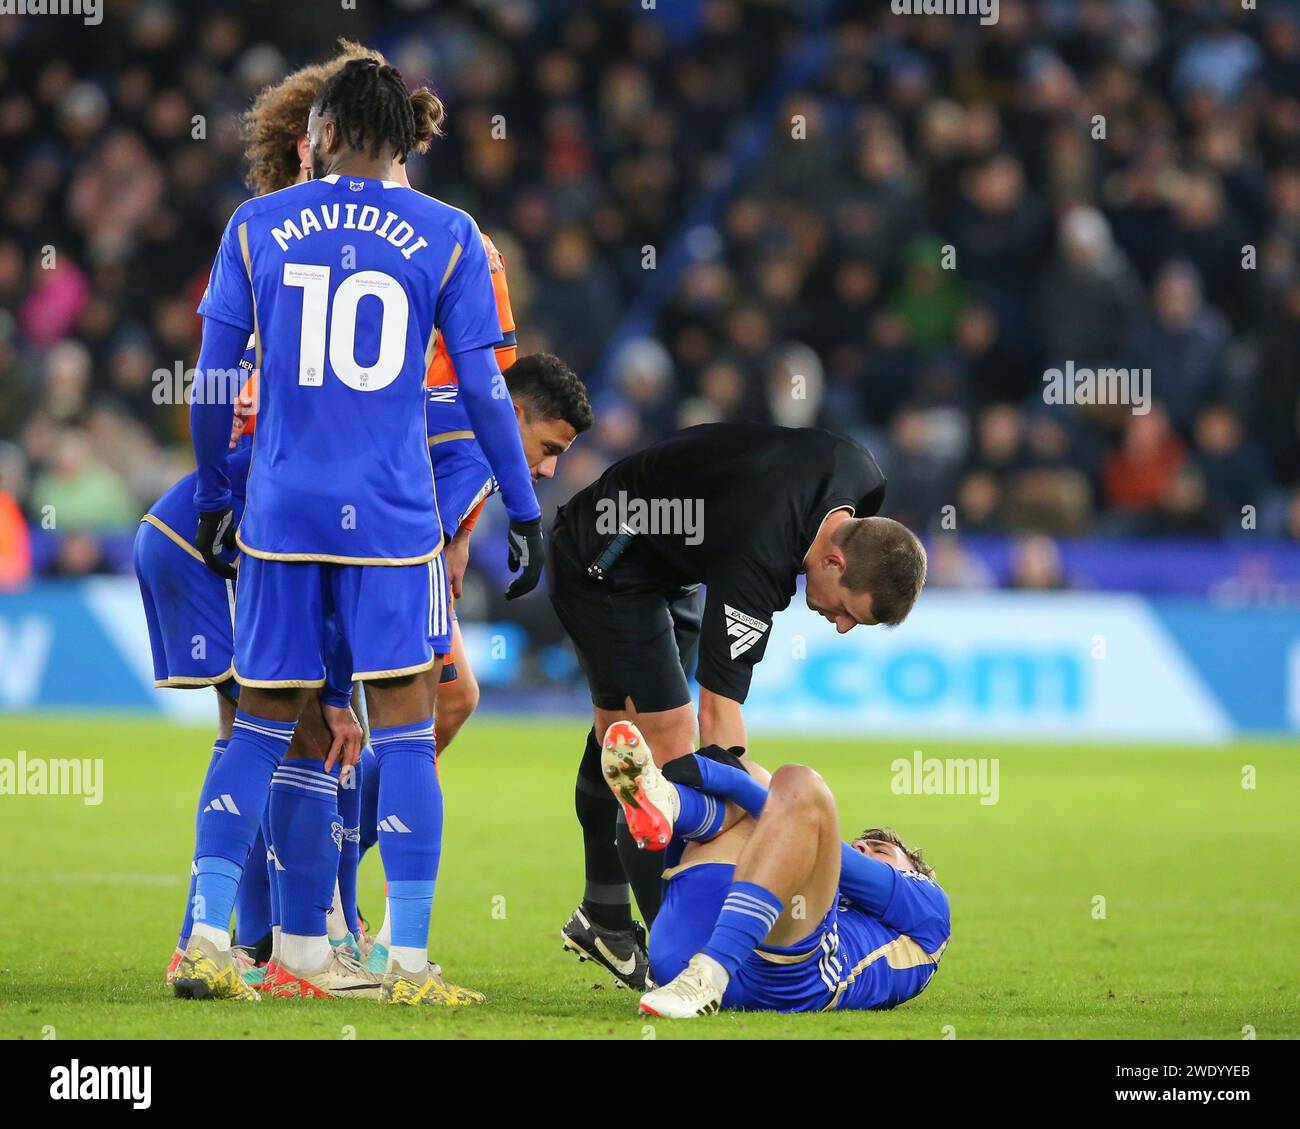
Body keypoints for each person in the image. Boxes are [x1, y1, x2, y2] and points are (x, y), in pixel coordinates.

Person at [176, 57, 539, 1006]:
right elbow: (487, 388)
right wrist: (524, 505)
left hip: (281, 513)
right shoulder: (451, 235)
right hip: (392, 522)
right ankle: (406, 964)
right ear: (408, 143)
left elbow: (213, 380)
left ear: (321, 132)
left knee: (258, 726)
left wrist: (219, 492)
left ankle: (208, 940)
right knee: (409, 735)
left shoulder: (255, 225)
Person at [547, 420, 927, 987]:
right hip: (609, 558)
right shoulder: (761, 552)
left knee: (622, 736)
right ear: (834, 563)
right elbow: (718, 714)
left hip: (670, 560)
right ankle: (673, 956)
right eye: (850, 611)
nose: (843, 627)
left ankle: (603, 915)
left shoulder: (861, 481)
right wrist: (744, 805)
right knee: (669, 748)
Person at [599, 722, 951, 1017]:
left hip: (790, 978)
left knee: (799, 785)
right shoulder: (824, 891)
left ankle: (675, 804)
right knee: (761, 779)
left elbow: (847, 867)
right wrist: (737, 780)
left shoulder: (929, 907)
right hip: (692, 947)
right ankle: (666, 803)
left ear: (912, 871)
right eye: (862, 843)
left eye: (881, 850)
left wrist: (724, 778)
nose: (863, 847)